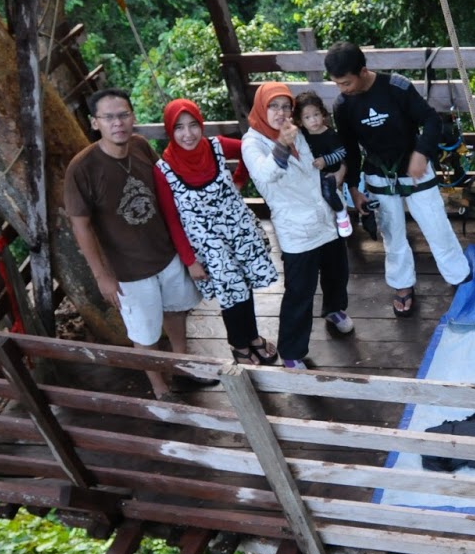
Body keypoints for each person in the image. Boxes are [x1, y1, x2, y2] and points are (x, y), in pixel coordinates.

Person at [64, 87, 211, 399]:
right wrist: (102, 275)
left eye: (123, 115)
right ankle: (159, 389)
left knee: (176, 311)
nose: (117, 123)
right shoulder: (82, 168)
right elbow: (81, 225)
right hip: (127, 270)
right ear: (95, 123)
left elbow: (167, 189)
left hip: (165, 253)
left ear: (132, 117)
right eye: (109, 118)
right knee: (145, 332)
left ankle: (183, 367)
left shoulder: (141, 147)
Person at [325, 42, 468, 318]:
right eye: (337, 84)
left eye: (346, 82)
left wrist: (422, 154)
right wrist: (354, 188)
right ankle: (402, 285)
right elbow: (351, 149)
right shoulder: (343, 104)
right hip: (379, 172)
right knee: (392, 234)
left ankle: (458, 275)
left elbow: (431, 120)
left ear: (363, 71)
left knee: (436, 224)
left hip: (415, 167)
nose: (342, 89)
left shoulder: (396, 87)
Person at [152, 98, 280, 366]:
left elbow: (249, 148)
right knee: (230, 294)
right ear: (170, 131)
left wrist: (240, 181)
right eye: (179, 128)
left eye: (193, 125)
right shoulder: (164, 169)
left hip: (239, 232)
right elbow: (172, 220)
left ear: (201, 125)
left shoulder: (216, 146)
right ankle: (239, 345)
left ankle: (253, 337)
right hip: (209, 246)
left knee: (245, 287)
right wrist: (190, 261)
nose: (188, 134)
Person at [241, 82, 354, 368]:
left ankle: (334, 310)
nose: (280, 113)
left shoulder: (297, 132)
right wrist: (281, 143)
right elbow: (265, 177)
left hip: (324, 215)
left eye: (285, 107)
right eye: (273, 106)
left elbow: (316, 163)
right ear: (261, 108)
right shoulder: (252, 142)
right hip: (295, 227)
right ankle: (291, 352)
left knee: (337, 270)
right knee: (299, 291)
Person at [294, 90, 354, 237]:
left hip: (330, 173)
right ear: (300, 121)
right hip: (314, 174)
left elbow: (341, 153)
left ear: (323, 114)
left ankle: (342, 214)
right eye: (307, 117)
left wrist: (325, 160)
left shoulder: (330, 134)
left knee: (328, 192)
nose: (313, 120)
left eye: (316, 115)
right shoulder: (302, 135)